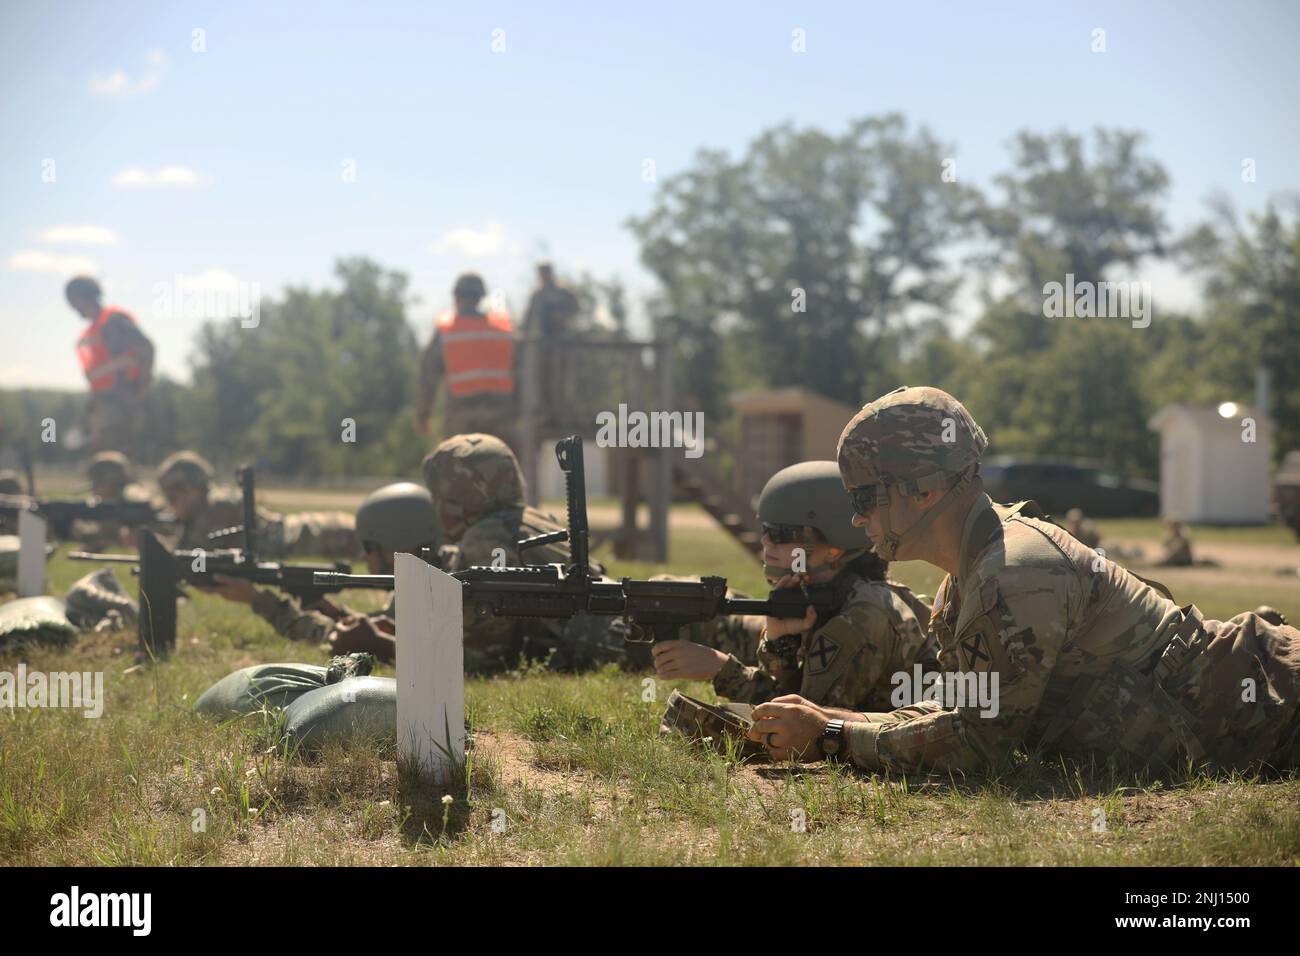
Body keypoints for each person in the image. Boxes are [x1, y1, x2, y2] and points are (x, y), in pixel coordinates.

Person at [746, 386, 1300, 775]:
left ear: (925, 491)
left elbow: (974, 745)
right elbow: (953, 708)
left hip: (1277, 706)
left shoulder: (1014, 572)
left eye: (864, 496)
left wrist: (833, 736)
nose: (857, 517)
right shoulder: (968, 575)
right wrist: (829, 719)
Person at [651, 461, 937, 712]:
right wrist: (780, 640)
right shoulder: (825, 595)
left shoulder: (861, 615)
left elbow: (801, 724)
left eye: (782, 534)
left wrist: (719, 668)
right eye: (766, 530)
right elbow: (793, 695)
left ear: (834, 549)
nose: (766, 542)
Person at [422, 432, 626, 672]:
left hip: (612, 648)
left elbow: (487, 655)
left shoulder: (486, 539)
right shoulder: (534, 520)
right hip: (621, 631)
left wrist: (391, 644)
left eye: (438, 495)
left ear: (459, 499)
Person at [202, 482, 436, 657]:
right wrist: (340, 615)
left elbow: (343, 640)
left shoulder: (436, 596)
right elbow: (385, 626)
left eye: (370, 547)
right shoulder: (427, 586)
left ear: (399, 543)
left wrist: (258, 600)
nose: (364, 556)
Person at [156, 450, 357, 558]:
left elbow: (189, 552)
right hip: (303, 534)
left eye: (172, 498)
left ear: (192, 490)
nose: (170, 506)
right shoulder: (204, 508)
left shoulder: (216, 506)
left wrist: (150, 543)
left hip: (311, 536)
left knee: (369, 541)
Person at [414, 273, 517, 451]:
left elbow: (428, 377)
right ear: (480, 297)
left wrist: (423, 415)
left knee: (458, 471)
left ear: (456, 297)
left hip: (460, 419)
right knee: (500, 471)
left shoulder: (447, 331)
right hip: (501, 417)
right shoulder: (503, 329)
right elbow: (521, 370)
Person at [65, 276, 154, 456]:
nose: (74, 308)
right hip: (104, 402)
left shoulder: (114, 321)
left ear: (83, 298)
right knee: (101, 456)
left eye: (74, 302)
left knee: (114, 458)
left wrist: (137, 388)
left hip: (119, 404)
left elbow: (144, 349)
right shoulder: (96, 328)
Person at [521, 263, 580, 422]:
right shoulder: (538, 293)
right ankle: (546, 412)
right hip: (543, 343)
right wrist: (524, 336)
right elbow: (528, 317)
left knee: (561, 378)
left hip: (562, 342)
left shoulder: (563, 291)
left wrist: (561, 314)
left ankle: (561, 412)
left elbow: (575, 307)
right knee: (543, 378)